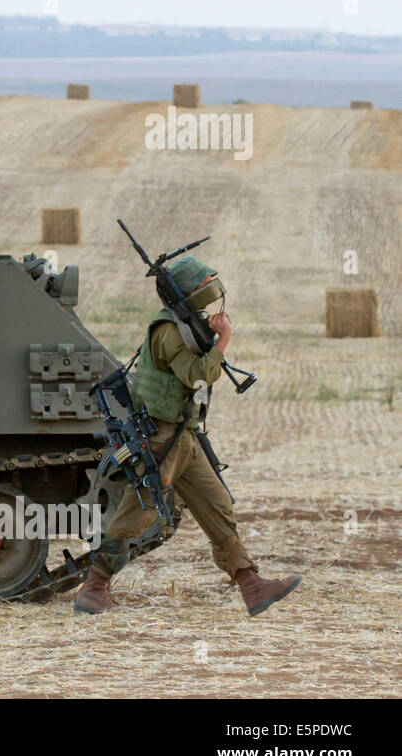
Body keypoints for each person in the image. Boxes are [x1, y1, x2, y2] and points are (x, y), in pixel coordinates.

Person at [74, 255, 302, 616]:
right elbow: (197, 376)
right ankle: (94, 586)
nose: (211, 287)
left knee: (217, 506)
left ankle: (251, 585)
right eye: (203, 283)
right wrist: (224, 337)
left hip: (184, 436)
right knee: (139, 513)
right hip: (163, 440)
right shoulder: (167, 331)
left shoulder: (186, 325)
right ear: (188, 293)